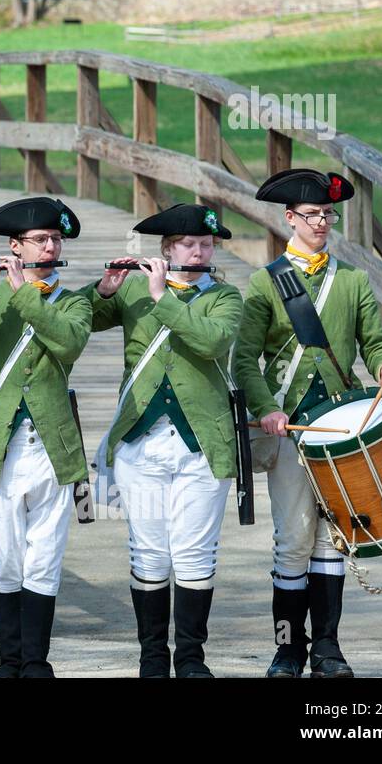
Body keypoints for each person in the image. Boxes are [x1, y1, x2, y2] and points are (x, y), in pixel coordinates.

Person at [234, 169, 382, 679]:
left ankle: (327, 649)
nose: (323, 222)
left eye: (328, 215)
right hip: (288, 427)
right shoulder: (265, 282)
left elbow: (373, 342)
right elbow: (244, 361)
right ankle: (288, 650)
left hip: (338, 425)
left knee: (334, 539)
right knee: (293, 538)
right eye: (313, 215)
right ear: (290, 218)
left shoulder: (352, 281)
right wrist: (267, 407)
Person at [83, 204, 243, 677]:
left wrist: (162, 298)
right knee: (148, 551)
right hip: (141, 442)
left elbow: (212, 343)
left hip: (202, 444)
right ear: (166, 250)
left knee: (195, 553)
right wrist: (103, 289)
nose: (199, 252)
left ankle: (191, 659)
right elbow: (78, 323)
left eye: (206, 245)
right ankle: (153, 658)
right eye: (188, 245)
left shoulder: (226, 296)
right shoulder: (133, 286)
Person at [0, 196, 92, 678]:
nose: (50, 247)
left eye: (55, 239)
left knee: (44, 556)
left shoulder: (74, 301)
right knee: (6, 556)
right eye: (39, 240)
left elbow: (67, 343)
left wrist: (26, 290)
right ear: (15, 246)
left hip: (52, 446)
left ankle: (36, 663)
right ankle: (9, 662)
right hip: (0, 446)